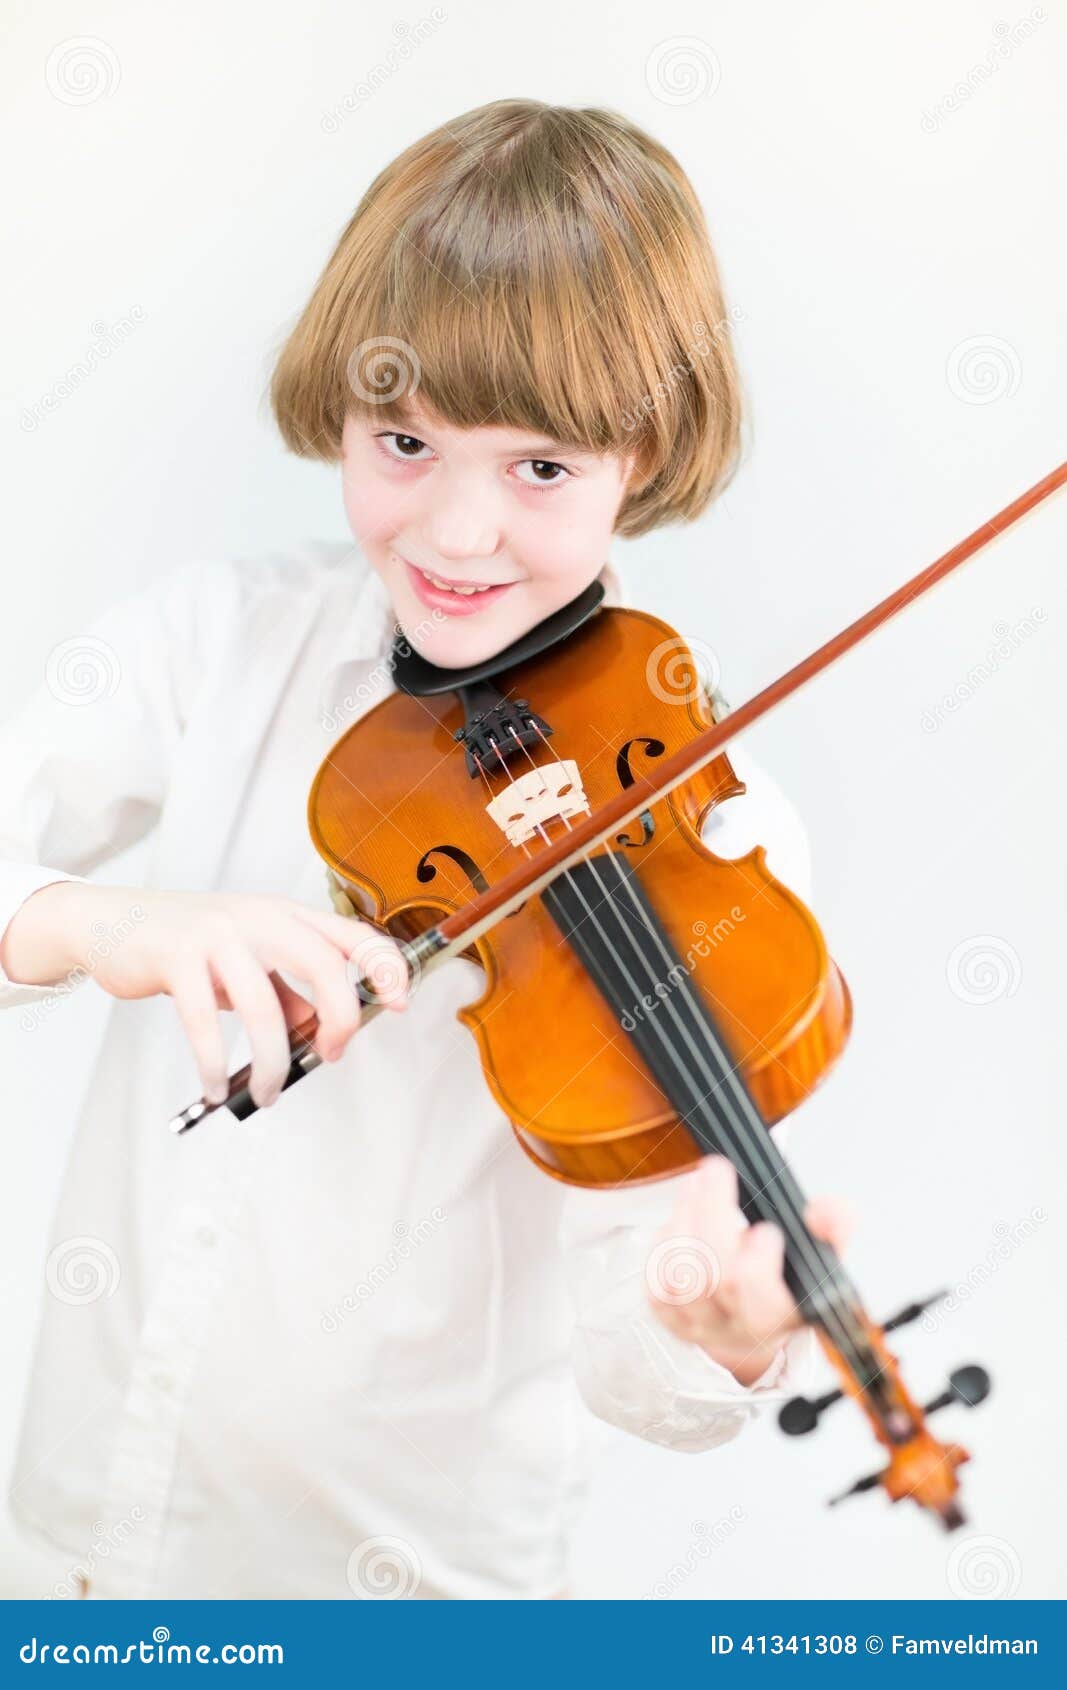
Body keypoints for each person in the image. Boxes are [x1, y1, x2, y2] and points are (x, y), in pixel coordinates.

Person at [0, 99, 849, 1601]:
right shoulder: (216, 649)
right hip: (77, 1557)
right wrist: (86, 921)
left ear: (642, 452)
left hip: (408, 1604)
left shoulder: (709, 832)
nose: (458, 536)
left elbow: (626, 1330)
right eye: (405, 441)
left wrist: (711, 1323)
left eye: (540, 468)